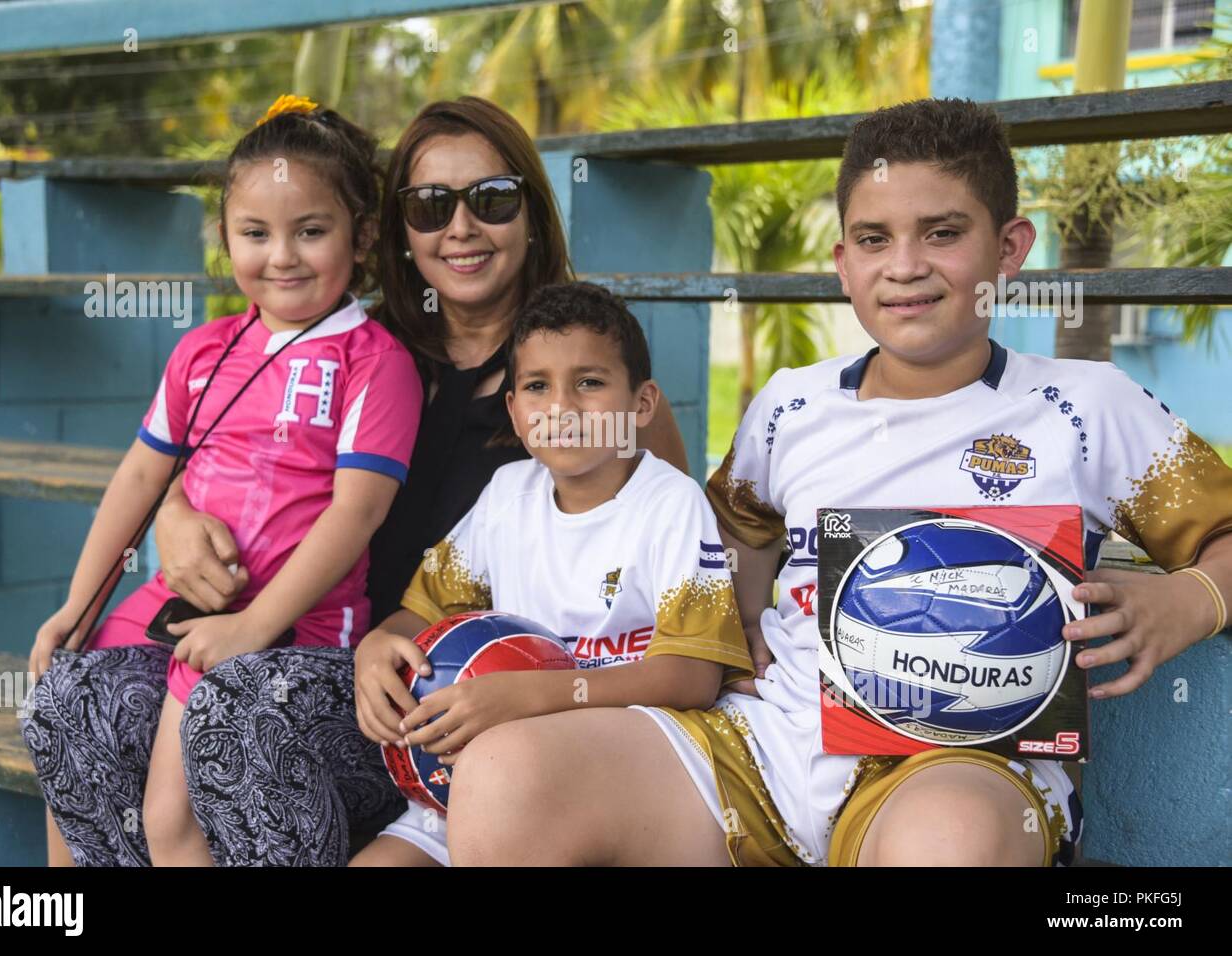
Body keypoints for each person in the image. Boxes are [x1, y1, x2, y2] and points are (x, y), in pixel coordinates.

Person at [443, 97, 1232, 867]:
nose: (906, 266)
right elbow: (734, 537)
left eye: (944, 233)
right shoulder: (793, 403)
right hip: (759, 749)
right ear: (844, 264)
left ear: (1009, 248)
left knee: (947, 844)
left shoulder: (1086, 406)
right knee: (509, 774)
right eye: (873, 238)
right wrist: (736, 623)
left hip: (957, 766)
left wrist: (1190, 600)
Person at [163, 97, 690, 865]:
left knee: (238, 709)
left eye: (493, 200)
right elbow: (205, 452)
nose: (461, 228)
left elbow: (679, 539)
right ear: (400, 232)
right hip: (350, 665)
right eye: (430, 206)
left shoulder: (581, 381)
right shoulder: (358, 350)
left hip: (504, 707)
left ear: (534, 214)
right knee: (97, 705)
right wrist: (172, 514)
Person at [20, 94, 422, 866]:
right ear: (225, 237)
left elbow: (356, 513)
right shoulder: (204, 352)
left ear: (362, 237)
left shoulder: (375, 361)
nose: (282, 257)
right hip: (184, 616)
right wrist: (80, 603)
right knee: (63, 706)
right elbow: (143, 474)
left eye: (311, 231)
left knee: (174, 823)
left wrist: (253, 625)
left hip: (295, 634)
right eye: (255, 233)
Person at [349, 281, 753, 866]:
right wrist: (377, 645)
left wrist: (534, 695)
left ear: (641, 405)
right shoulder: (508, 493)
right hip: (479, 766)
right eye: (537, 387)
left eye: (589, 383)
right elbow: (424, 611)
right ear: (513, 410)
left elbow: (692, 677)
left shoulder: (669, 502)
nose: (562, 408)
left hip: (618, 768)